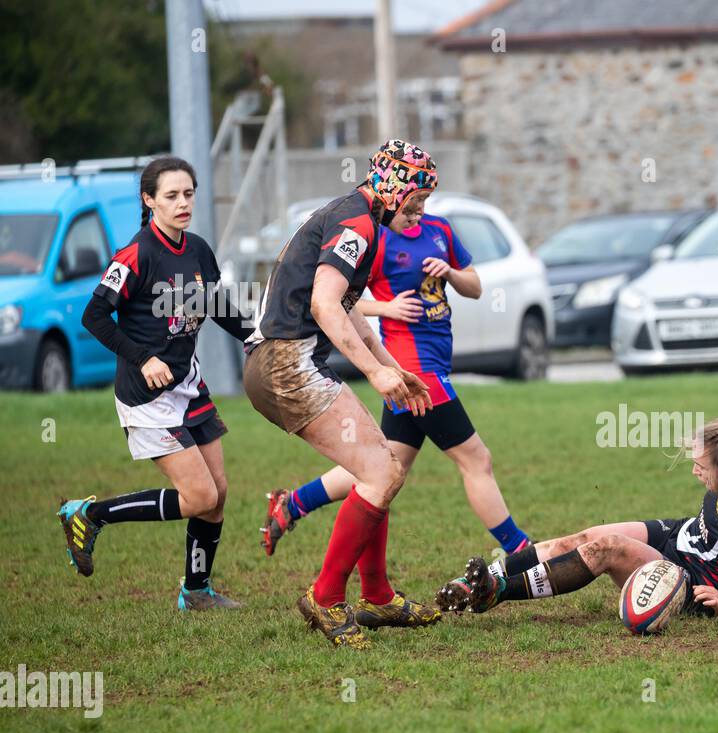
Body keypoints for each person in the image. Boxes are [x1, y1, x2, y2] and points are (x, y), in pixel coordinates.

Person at [241, 139, 441, 649]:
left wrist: (393, 368)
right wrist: (374, 376)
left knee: (382, 465)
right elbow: (326, 306)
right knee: (380, 469)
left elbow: (349, 311)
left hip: (287, 360)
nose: (421, 208)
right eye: (417, 195)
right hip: (286, 363)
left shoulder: (360, 221)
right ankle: (326, 598)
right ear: (394, 186)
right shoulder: (356, 224)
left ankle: (377, 595)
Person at [260, 208, 532, 561]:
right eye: (411, 202)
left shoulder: (440, 229)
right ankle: (519, 548)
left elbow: (476, 287)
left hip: (433, 364)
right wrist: (385, 308)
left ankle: (292, 504)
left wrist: (450, 271)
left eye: (423, 200)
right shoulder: (379, 240)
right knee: (476, 459)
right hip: (413, 371)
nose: (417, 209)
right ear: (394, 198)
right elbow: (339, 299)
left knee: (385, 465)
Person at [57, 156, 249, 610]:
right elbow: (94, 315)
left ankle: (196, 592)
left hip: (188, 386)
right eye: (171, 196)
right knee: (198, 495)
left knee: (217, 494)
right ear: (149, 200)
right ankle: (89, 514)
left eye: (188, 194)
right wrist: (143, 359)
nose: (183, 203)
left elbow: (217, 304)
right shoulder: (137, 253)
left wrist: (253, 336)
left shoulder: (199, 249)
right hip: (146, 397)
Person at [436, 409, 718, 619]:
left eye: (702, 467)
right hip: (683, 538)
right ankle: (482, 578)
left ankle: (497, 591)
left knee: (605, 549)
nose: (694, 470)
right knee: (586, 535)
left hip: (692, 581)